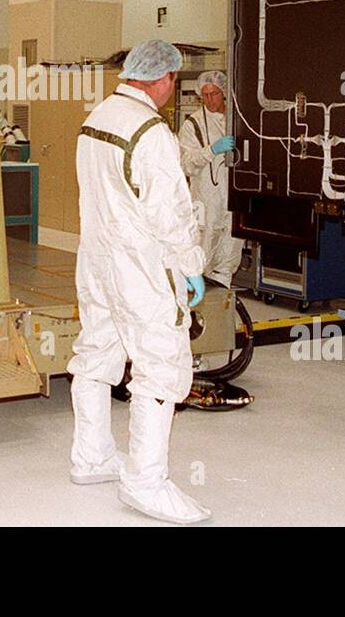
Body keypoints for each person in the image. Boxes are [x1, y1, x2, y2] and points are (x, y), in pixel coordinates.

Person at [69, 38, 210, 524]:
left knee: (96, 352)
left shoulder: (97, 118)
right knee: (160, 366)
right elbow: (170, 211)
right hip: (140, 268)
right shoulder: (150, 131)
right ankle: (146, 483)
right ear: (164, 78)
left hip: (97, 260)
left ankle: (92, 456)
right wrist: (191, 264)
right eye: (175, 80)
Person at [178, 70, 243, 289]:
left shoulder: (236, 119)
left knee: (232, 240)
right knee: (204, 241)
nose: (209, 100)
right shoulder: (193, 124)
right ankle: (195, 286)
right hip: (206, 196)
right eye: (204, 95)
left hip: (233, 194)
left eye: (214, 94)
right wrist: (211, 150)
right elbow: (186, 162)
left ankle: (223, 285)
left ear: (223, 93)